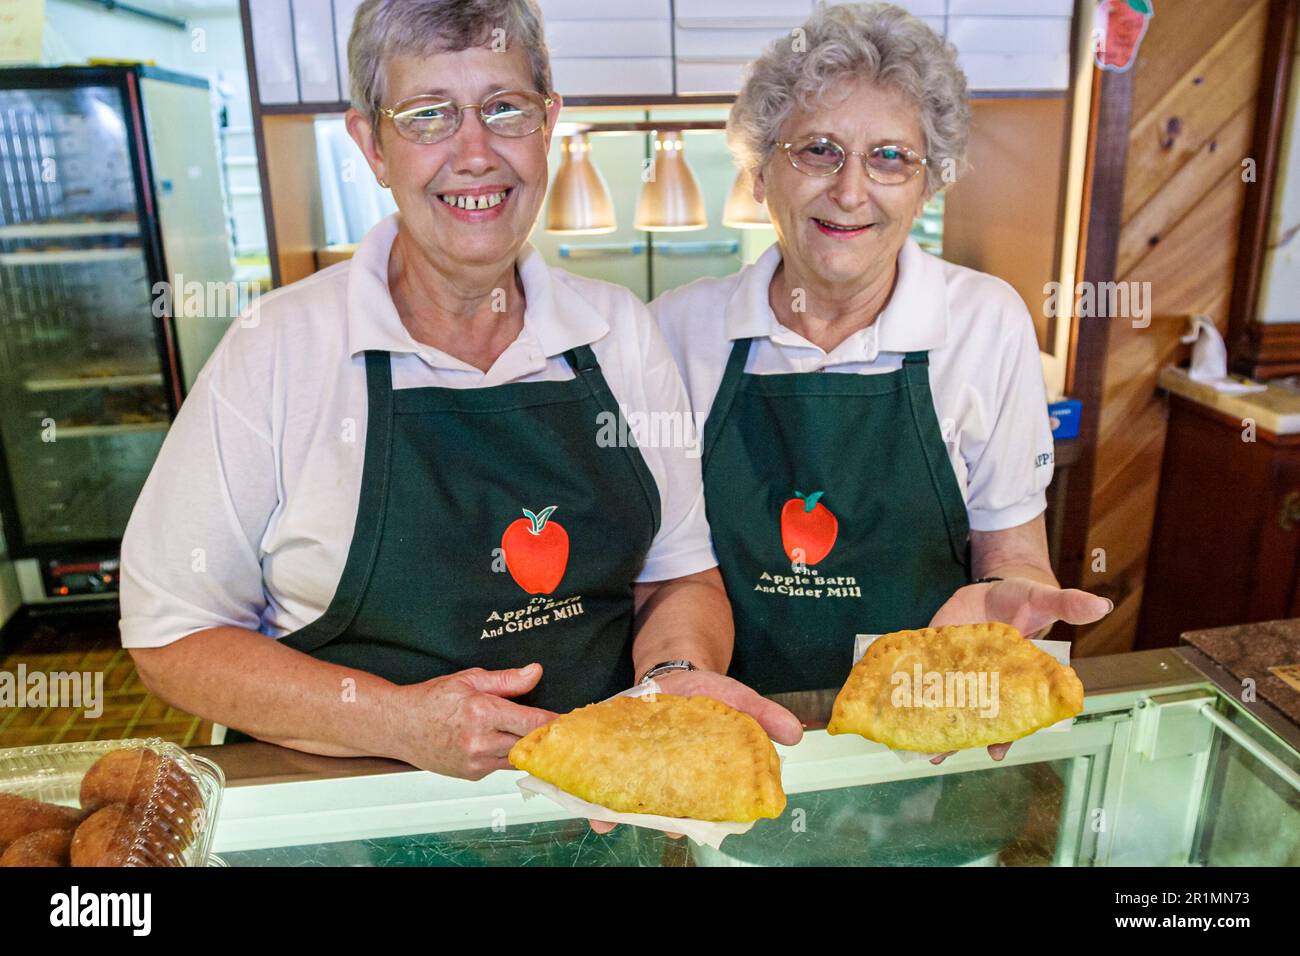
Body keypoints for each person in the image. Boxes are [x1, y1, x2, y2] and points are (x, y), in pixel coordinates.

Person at [119, 0, 801, 780]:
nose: (475, 154)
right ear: (371, 146)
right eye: (427, 116)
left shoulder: (620, 333)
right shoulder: (274, 351)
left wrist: (672, 678)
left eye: (504, 109)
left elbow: (678, 573)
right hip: (352, 815)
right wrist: (396, 721)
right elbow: (172, 636)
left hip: (601, 802)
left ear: (548, 125)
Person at [651, 2, 1110, 764]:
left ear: (927, 185)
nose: (851, 190)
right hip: (735, 741)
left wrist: (1003, 614)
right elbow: (669, 569)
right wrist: (679, 684)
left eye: (891, 157)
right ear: (761, 171)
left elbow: (1012, 549)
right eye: (818, 151)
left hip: (926, 740)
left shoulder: (986, 323)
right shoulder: (677, 330)